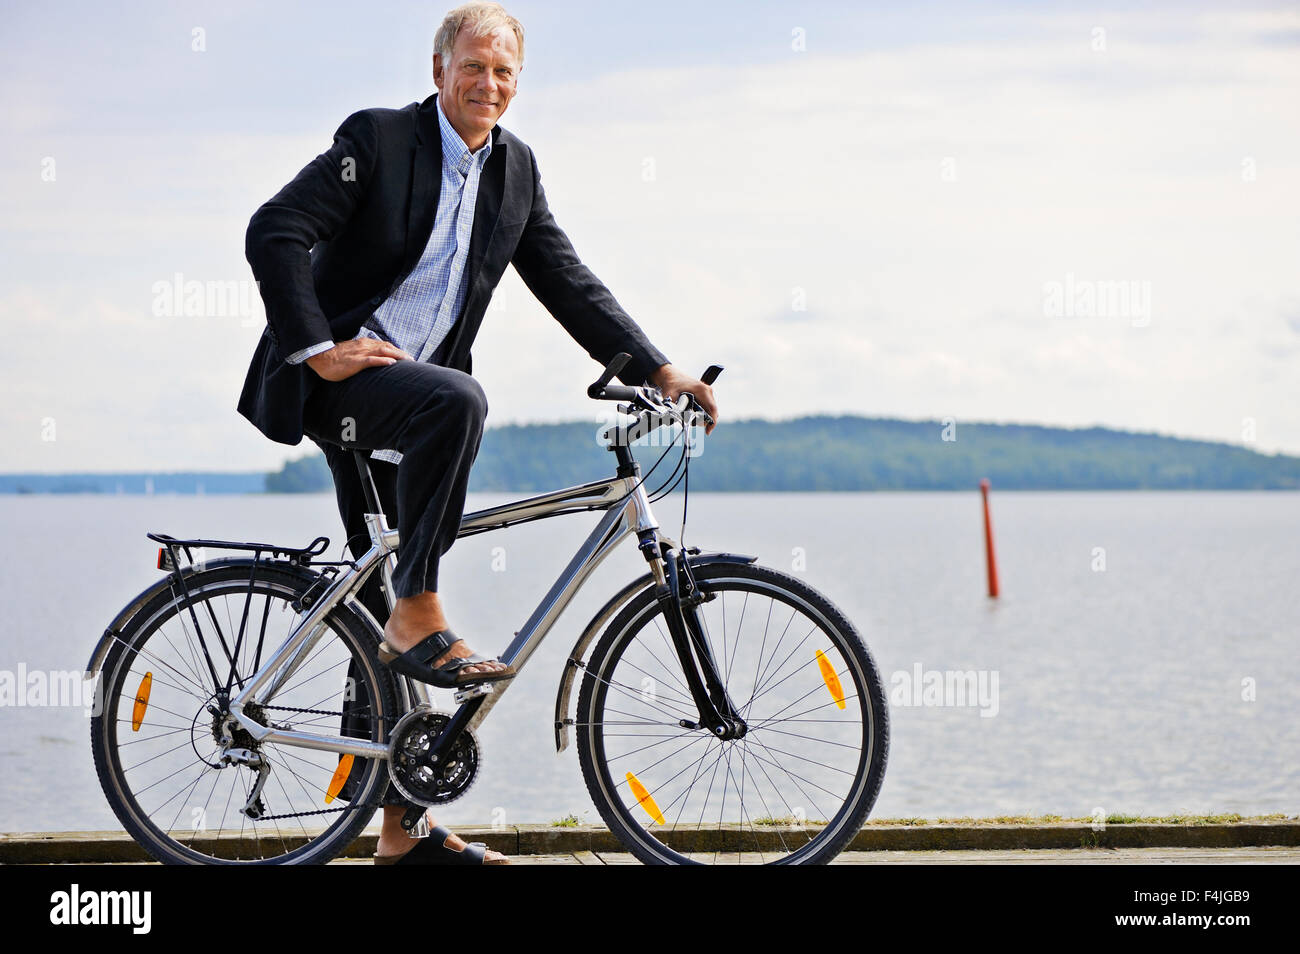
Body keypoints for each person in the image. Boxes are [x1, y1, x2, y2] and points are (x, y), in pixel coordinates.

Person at [238, 2, 719, 864]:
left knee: (377, 607)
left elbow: (565, 278)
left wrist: (656, 368)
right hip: (339, 389)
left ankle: (402, 833)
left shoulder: (515, 171)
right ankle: (419, 612)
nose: (488, 86)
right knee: (458, 406)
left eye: (504, 73)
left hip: (409, 402)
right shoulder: (380, 140)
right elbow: (275, 229)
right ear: (438, 71)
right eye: (474, 68)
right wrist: (320, 349)